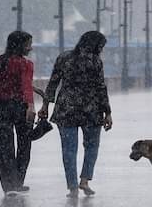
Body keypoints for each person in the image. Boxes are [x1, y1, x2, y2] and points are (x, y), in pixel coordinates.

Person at [41, 31, 113, 197]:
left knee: (69, 149)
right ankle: (84, 181)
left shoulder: (64, 58)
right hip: (91, 110)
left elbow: (53, 82)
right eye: (101, 46)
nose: (102, 50)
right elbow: (101, 87)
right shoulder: (95, 61)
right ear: (96, 45)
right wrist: (107, 112)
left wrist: (45, 105)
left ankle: (72, 186)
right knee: (92, 146)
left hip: (66, 109)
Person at [0, 30, 38, 195]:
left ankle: (8, 184)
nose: (30, 48)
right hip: (20, 106)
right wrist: (30, 106)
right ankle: (18, 180)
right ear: (20, 45)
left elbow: (11, 82)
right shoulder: (25, 64)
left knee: (3, 147)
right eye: (28, 45)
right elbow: (24, 85)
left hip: (0, 106)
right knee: (24, 144)